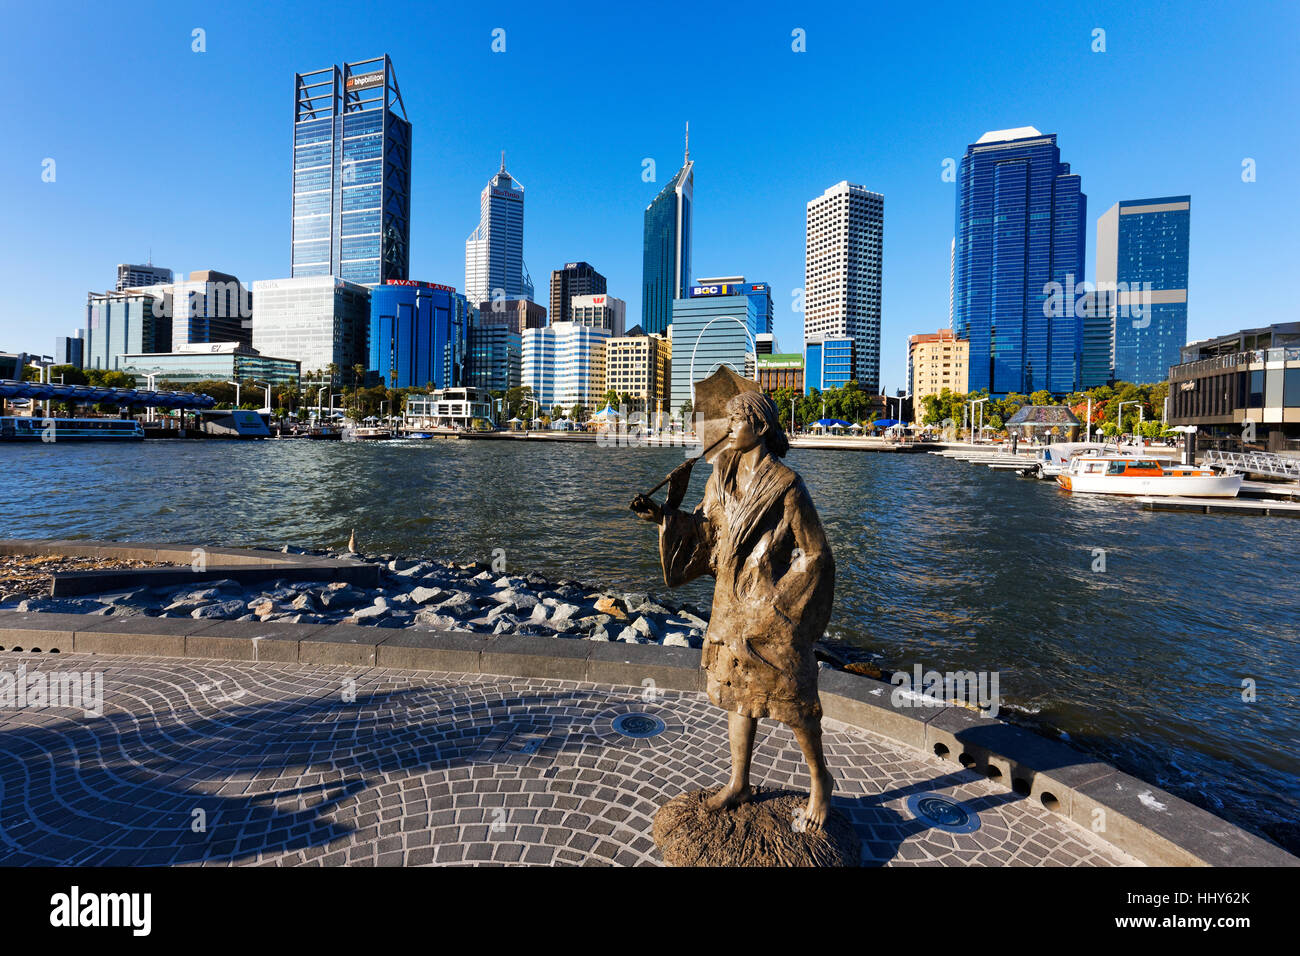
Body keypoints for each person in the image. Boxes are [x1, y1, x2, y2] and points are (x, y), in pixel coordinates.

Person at [631, 391, 837, 827]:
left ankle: (821, 781)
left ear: (760, 427)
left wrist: (783, 605)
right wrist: (663, 514)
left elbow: (815, 553)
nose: (728, 428)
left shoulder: (786, 484)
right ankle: (739, 781)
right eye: (727, 419)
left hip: (768, 606)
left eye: (736, 419)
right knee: (738, 694)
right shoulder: (720, 473)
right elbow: (707, 529)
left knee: (795, 696)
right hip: (729, 600)